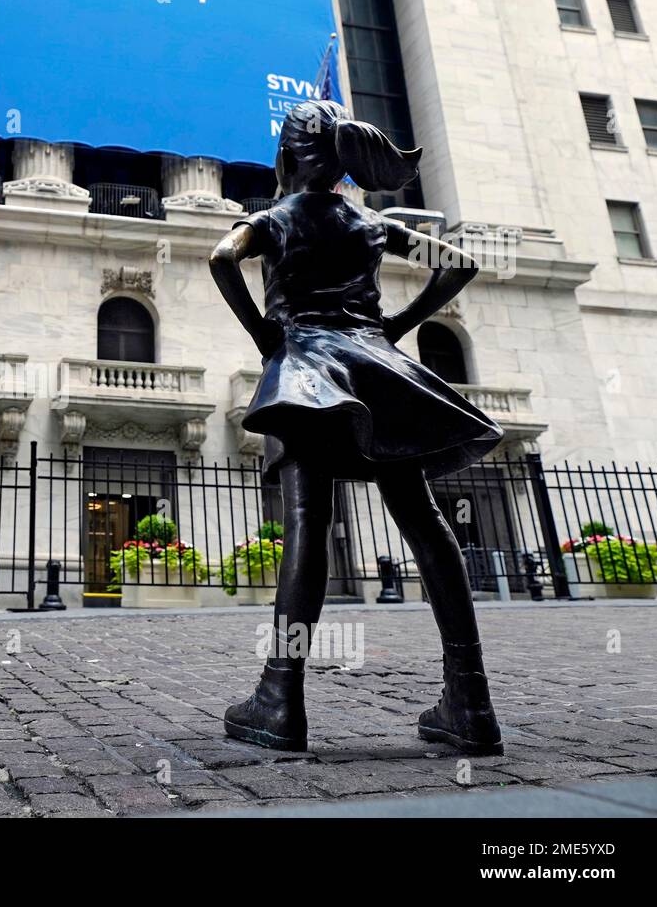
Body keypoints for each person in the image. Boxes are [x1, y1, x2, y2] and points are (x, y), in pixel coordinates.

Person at [209, 100, 505, 755]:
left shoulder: (273, 219)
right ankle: (472, 701)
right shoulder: (372, 223)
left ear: (286, 157)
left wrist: (267, 337)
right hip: (379, 373)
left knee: (308, 524)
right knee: (425, 523)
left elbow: (221, 258)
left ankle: (280, 698)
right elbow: (458, 264)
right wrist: (392, 332)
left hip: (307, 376)